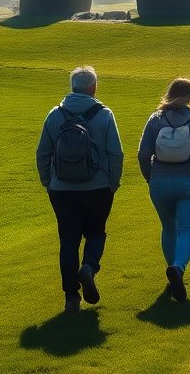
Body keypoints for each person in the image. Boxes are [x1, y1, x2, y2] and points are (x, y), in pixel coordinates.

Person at [36, 65, 124, 314]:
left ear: (72, 87)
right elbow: (115, 153)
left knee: (68, 241)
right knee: (96, 233)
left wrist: (48, 182)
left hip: (61, 189)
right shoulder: (105, 114)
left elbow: (42, 153)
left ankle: (71, 297)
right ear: (93, 87)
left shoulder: (55, 114)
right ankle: (89, 267)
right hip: (98, 188)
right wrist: (112, 183)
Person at [138, 77, 190, 301]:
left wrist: (150, 178)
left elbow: (143, 154)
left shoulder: (155, 119)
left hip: (160, 182)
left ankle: (172, 269)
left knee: (168, 228)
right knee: (188, 230)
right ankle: (178, 268)